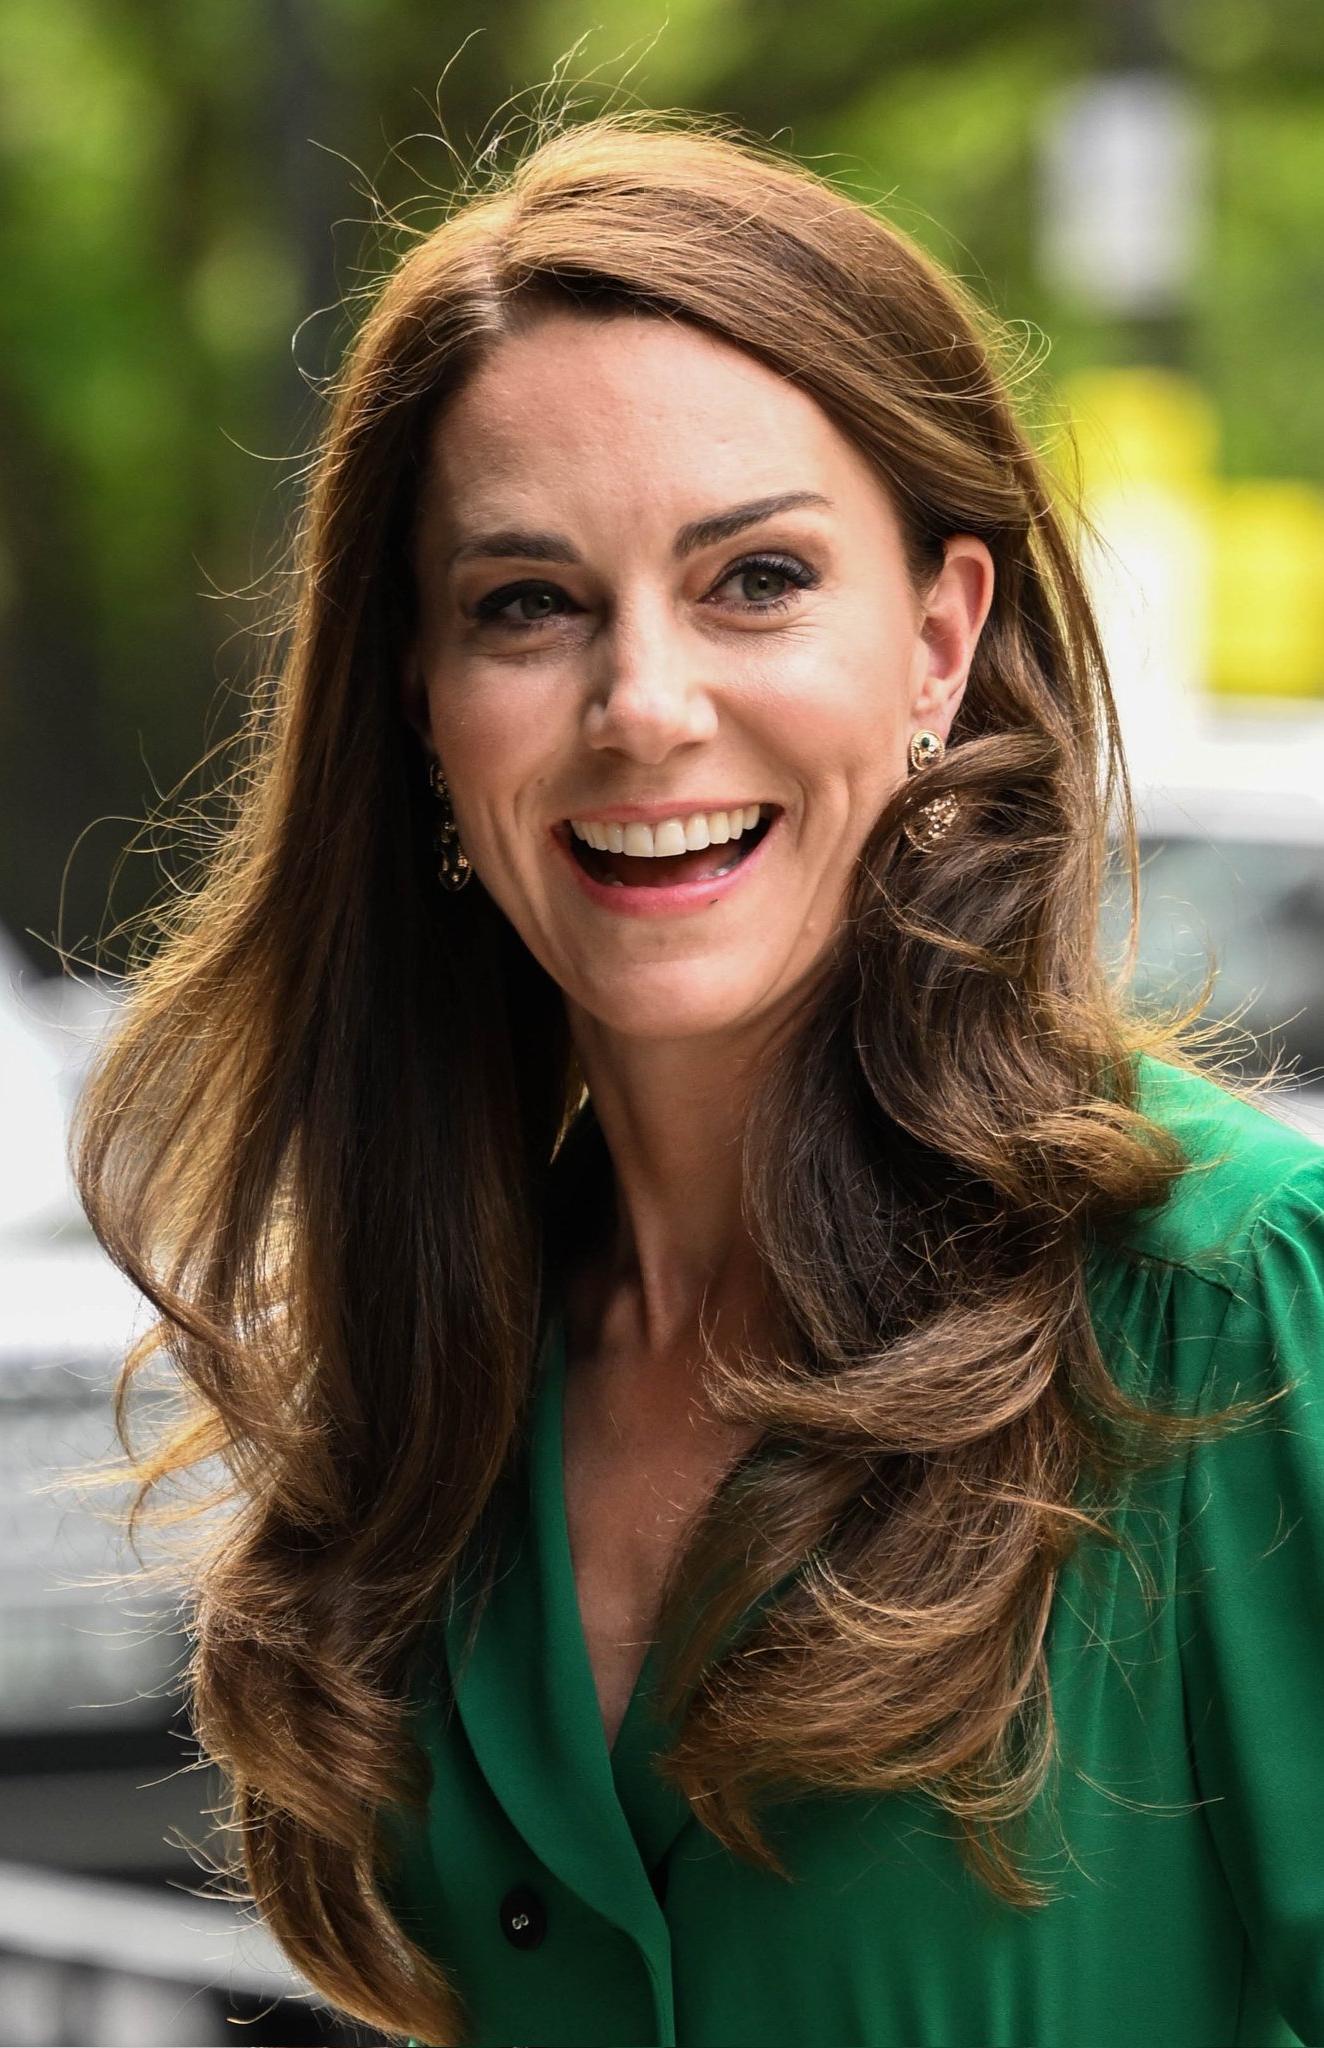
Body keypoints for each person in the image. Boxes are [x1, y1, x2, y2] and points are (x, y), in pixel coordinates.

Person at [72, 112, 1324, 2048]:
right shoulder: (437, 1411)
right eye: (527, 603)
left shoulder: (1232, 1316)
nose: (642, 704)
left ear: (934, 640)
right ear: (421, 702)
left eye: (752, 580)